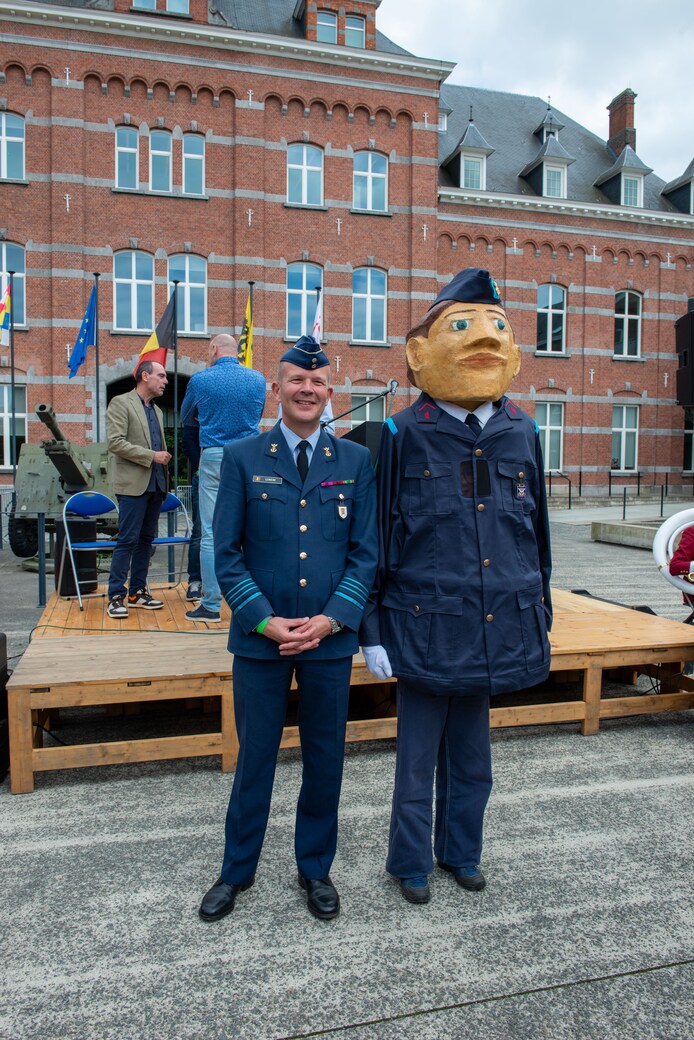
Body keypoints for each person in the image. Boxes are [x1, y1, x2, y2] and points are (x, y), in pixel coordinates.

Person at [360, 268, 552, 904]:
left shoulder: (521, 430)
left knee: (473, 760)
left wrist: (541, 608)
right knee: (416, 762)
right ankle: (410, 862)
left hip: (492, 624)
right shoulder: (401, 433)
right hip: (424, 624)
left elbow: (537, 533)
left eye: (497, 326)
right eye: (463, 325)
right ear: (419, 353)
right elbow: (377, 535)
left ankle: (461, 853)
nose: (486, 339)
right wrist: (372, 630)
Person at [199, 336, 377, 923]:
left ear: (329, 392)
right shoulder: (243, 457)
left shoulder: (355, 462)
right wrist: (264, 621)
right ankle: (236, 871)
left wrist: (330, 619)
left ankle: (316, 868)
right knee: (254, 759)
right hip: (260, 642)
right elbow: (227, 555)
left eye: (317, 381)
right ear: (276, 389)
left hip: (329, 641)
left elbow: (365, 555)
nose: (307, 389)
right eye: (297, 380)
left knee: (326, 759)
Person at [180, 334, 266, 623]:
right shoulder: (257, 379)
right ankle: (254, 603)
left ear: (214, 349)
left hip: (215, 455)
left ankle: (211, 604)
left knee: (210, 530)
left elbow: (186, 417)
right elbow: (256, 415)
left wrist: (206, 418)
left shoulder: (200, 380)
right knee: (252, 528)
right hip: (250, 455)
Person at [106, 359, 172, 619]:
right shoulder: (121, 403)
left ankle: (137, 592)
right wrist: (151, 456)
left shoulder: (158, 411)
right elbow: (115, 442)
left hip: (156, 485)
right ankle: (115, 596)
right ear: (145, 376)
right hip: (133, 486)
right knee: (127, 540)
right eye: (161, 376)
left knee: (146, 541)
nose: (165, 381)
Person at [182, 419, 202, 601]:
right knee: (200, 531)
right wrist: (198, 466)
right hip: (204, 474)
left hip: (230, 471)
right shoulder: (196, 405)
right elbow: (187, 440)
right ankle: (195, 581)